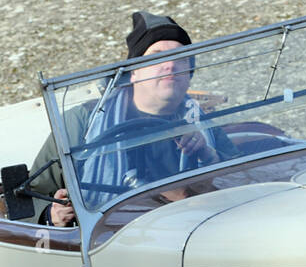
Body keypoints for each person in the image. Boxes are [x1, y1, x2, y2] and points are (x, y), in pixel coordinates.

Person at [27, 12, 238, 226]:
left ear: (189, 73)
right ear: (134, 72)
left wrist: (208, 155)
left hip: (191, 231)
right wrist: (50, 214)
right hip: (110, 240)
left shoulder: (203, 124)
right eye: (156, 57)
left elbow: (241, 184)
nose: (170, 65)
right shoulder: (83, 123)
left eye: (180, 58)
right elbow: (29, 195)